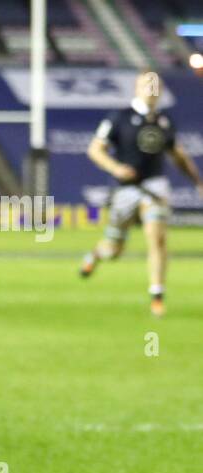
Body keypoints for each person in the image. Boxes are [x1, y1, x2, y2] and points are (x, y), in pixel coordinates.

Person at [79, 70, 203, 318]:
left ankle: (157, 295)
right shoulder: (120, 118)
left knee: (157, 238)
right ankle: (95, 254)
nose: (152, 89)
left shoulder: (164, 122)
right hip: (126, 191)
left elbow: (178, 155)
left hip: (155, 187)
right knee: (113, 250)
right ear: (137, 88)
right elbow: (95, 149)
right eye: (147, 84)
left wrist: (197, 181)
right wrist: (115, 168)